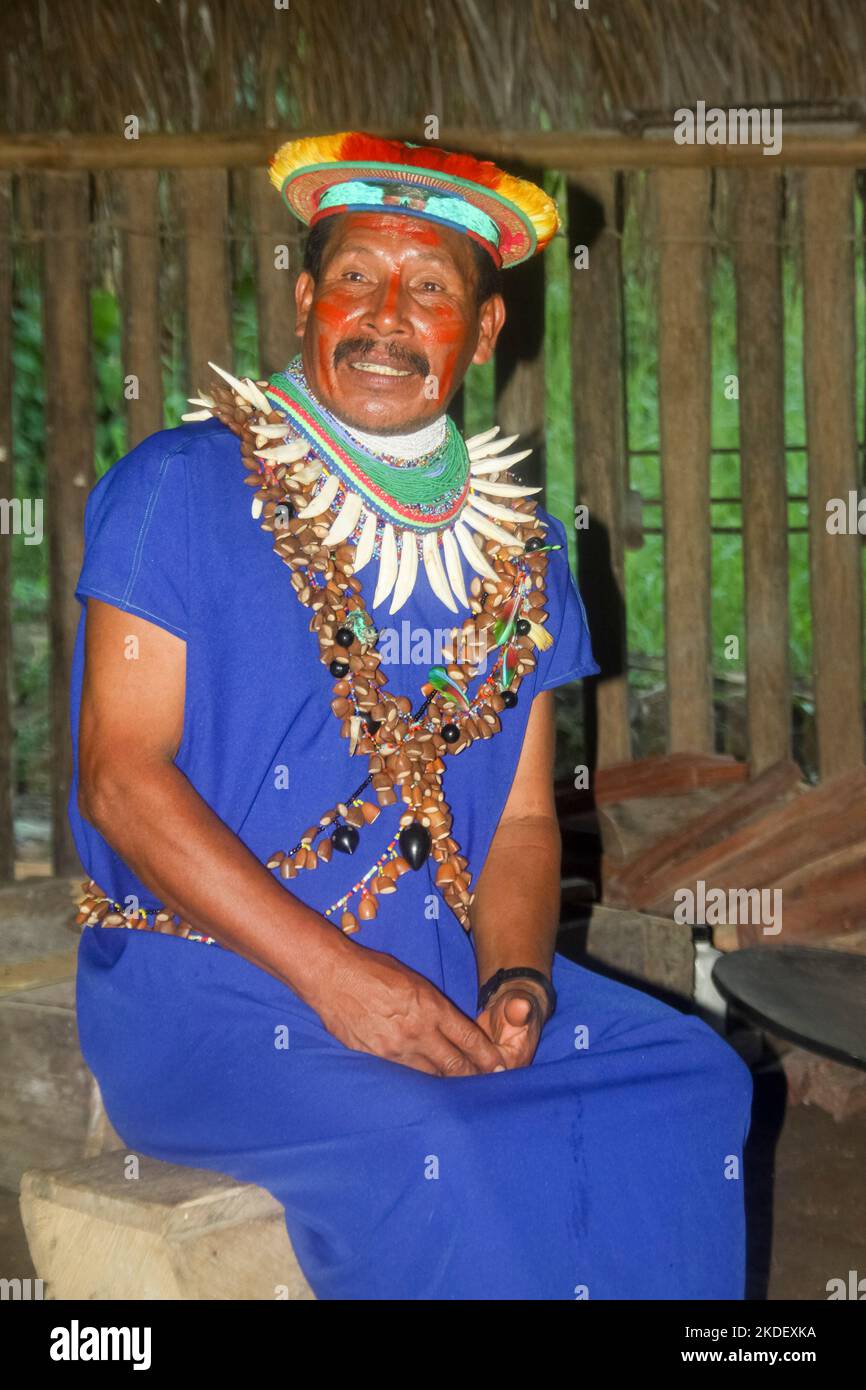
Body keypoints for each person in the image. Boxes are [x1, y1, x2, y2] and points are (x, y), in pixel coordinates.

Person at [69, 131, 752, 1300]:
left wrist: (518, 984)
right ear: (303, 299)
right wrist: (337, 978)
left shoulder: (522, 552)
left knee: (692, 1081)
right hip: (215, 988)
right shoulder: (178, 486)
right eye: (354, 278)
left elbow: (525, 825)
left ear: (483, 331)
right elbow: (121, 780)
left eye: (429, 288)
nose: (385, 315)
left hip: (442, 962)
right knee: (453, 1154)